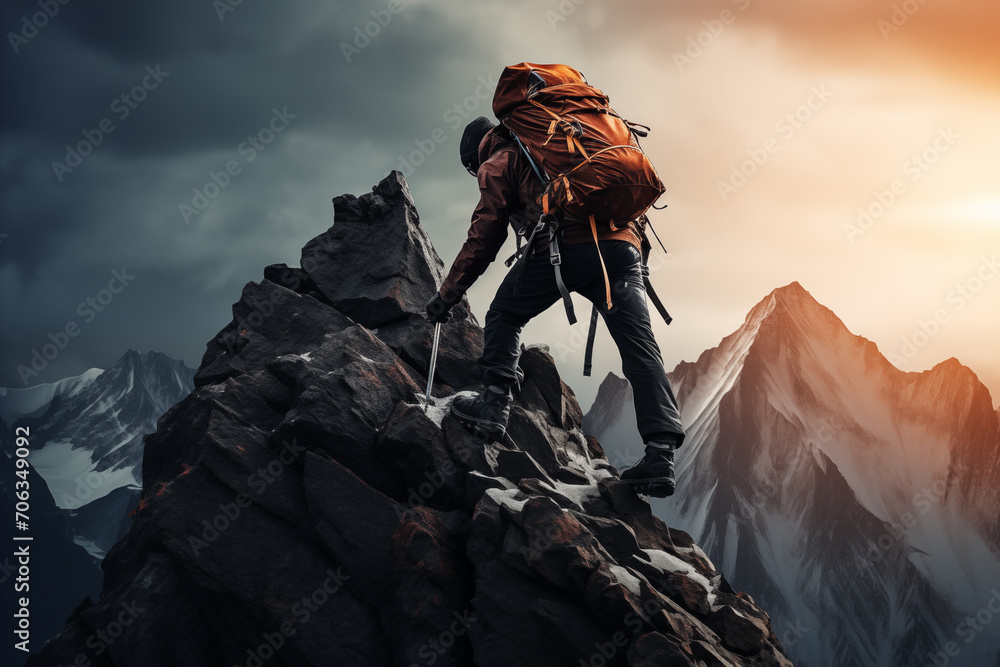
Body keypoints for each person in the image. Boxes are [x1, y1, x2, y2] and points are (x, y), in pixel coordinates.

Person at [425, 116, 685, 497]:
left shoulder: (500, 159)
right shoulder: (557, 140)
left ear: (476, 154)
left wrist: (446, 295)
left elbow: (485, 235)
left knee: (505, 313)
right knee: (640, 346)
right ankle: (660, 456)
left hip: (567, 245)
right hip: (624, 246)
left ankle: (494, 404)